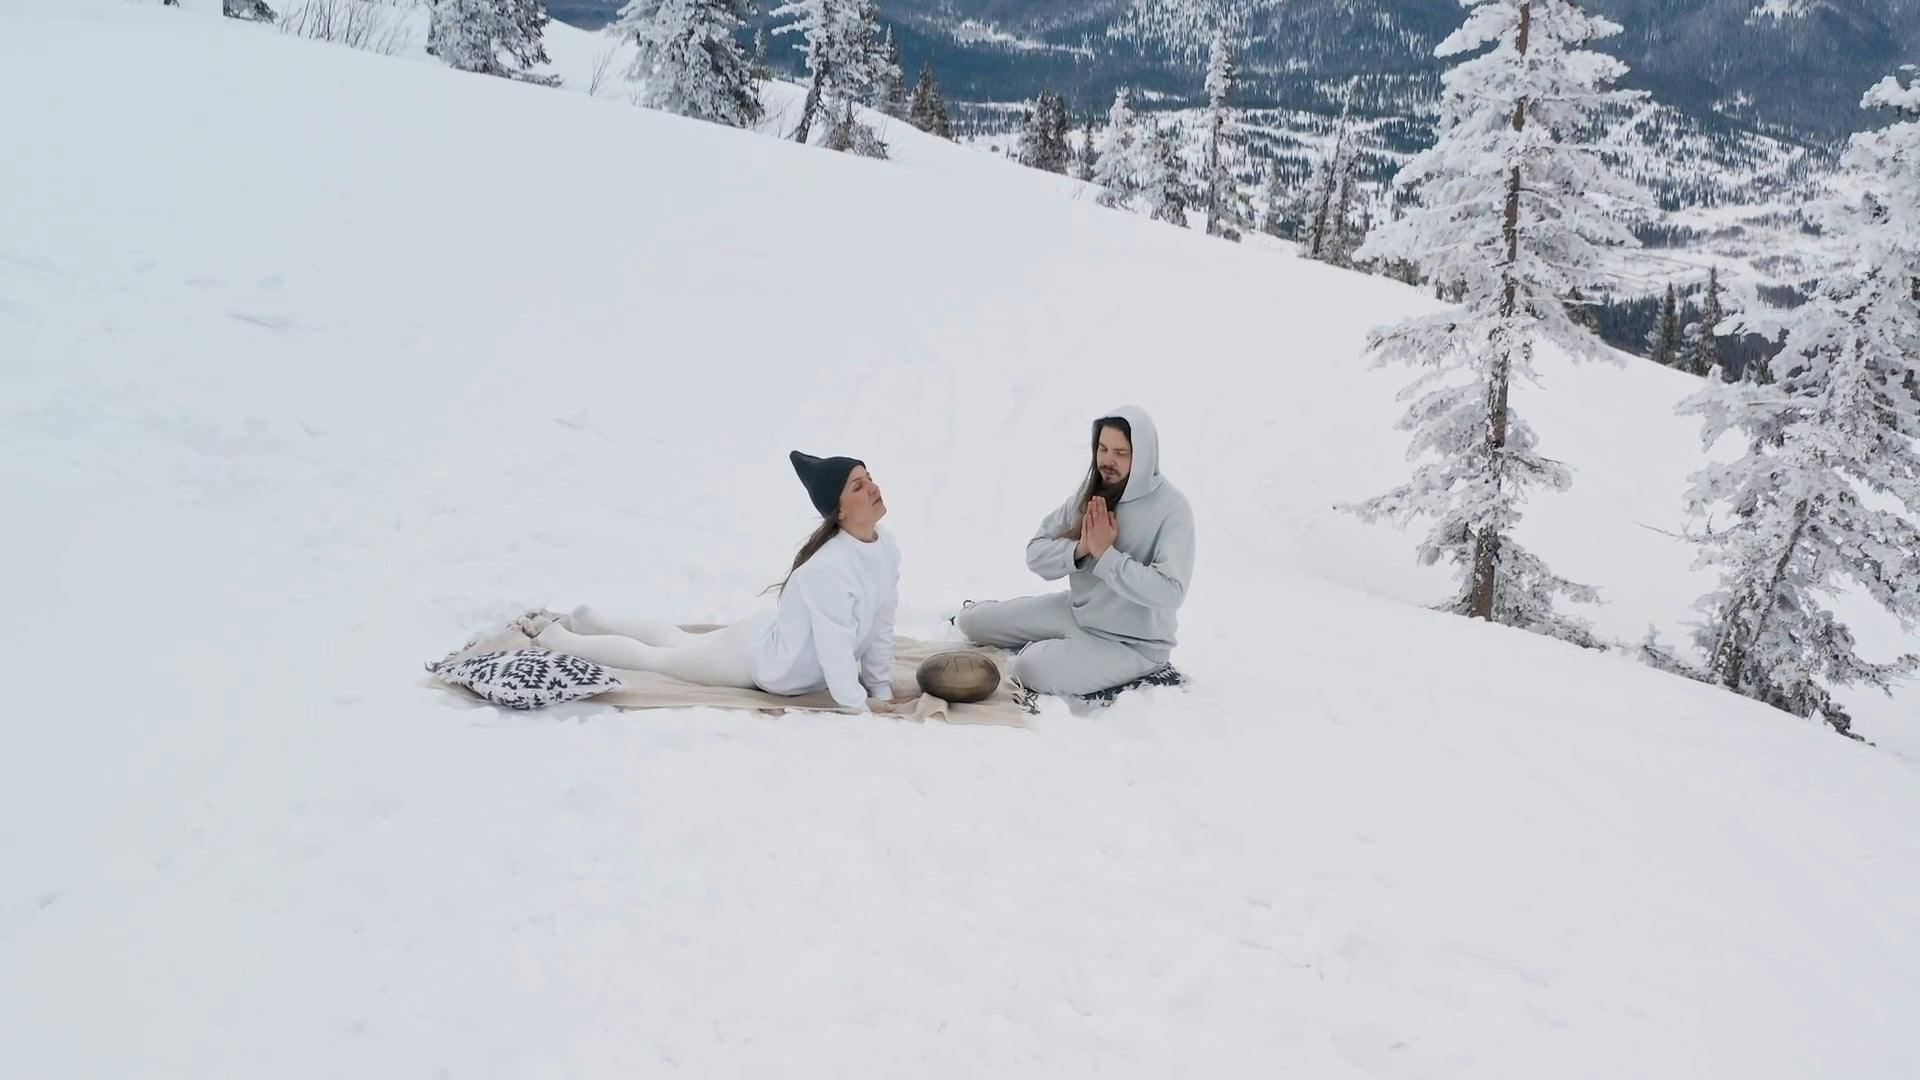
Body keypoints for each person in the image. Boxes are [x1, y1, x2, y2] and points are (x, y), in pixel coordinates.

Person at [535, 451, 917, 713]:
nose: (872, 488)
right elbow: (835, 646)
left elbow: (882, 622)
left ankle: (590, 620)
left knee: (680, 642)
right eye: (857, 486)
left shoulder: (887, 547)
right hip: (754, 658)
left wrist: (879, 690)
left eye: (869, 478)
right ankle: (562, 639)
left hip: (766, 636)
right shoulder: (828, 569)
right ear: (838, 510)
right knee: (661, 658)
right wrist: (858, 706)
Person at [955, 406, 1194, 696]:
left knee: (1026, 668)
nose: (1108, 460)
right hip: (1077, 612)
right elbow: (1036, 553)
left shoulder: (1172, 510)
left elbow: (1171, 592)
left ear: (1143, 455)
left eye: (1121, 453)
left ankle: (1050, 651)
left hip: (1132, 644)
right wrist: (1081, 549)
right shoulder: (1091, 494)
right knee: (971, 623)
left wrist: (1107, 556)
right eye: (1103, 448)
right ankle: (1053, 645)